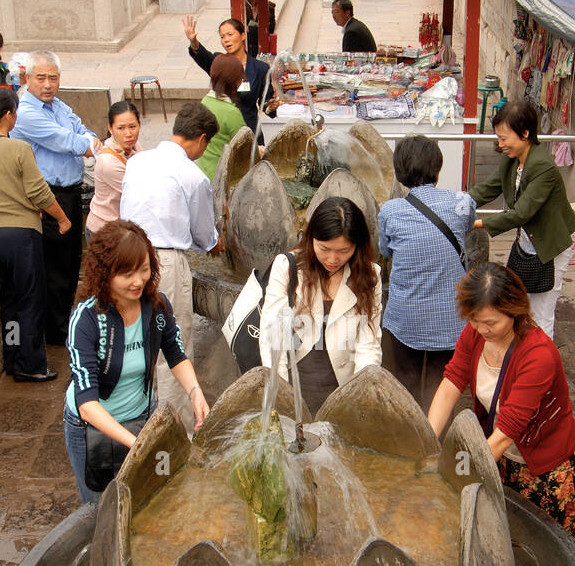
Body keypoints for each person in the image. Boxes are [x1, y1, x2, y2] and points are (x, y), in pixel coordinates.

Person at [427, 263, 575, 556]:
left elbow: (507, 431)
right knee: (505, 543)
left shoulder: (537, 354)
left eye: (491, 322)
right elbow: (451, 382)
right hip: (499, 457)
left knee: (553, 553)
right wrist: (427, 441)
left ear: (515, 310)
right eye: (475, 320)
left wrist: (456, 478)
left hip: (544, 465)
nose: (481, 329)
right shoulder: (475, 334)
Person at [64, 220, 209, 503]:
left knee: (148, 502)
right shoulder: (87, 319)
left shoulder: (157, 306)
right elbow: (87, 404)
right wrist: (138, 445)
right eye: (126, 273)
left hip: (142, 416)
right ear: (104, 273)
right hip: (92, 429)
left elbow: (176, 354)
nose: (138, 281)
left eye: (144, 269)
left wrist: (196, 392)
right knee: (100, 510)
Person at [120, 100, 221, 429]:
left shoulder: (137, 161)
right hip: (162, 261)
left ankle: (134, 415)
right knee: (172, 345)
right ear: (202, 140)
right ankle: (174, 428)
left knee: (132, 337)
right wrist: (217, 245)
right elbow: (205, 234)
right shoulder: (193, 176)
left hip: (124, 255)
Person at [0, 87, 71, 382]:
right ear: (9, 115)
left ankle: (12, 356)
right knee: (31, 299)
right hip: (19, 236)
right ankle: (32, 365)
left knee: (9, 299)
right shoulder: (18, 148)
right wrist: (61, 218)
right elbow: (38, 191)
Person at [378, 134, 476, 411]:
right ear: (437, 167)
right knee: (442, 383)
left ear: (400, 173)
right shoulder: (462, 202)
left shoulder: (390, 211)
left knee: (404, 382)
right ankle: (437, 436)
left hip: (404, 319)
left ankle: (407, 434)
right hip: (450, 319)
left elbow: (385, 250)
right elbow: (465, 228)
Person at [260, 196, 382, 416]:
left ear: (358, 246)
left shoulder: (369, 276)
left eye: (344, 250)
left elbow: (369, 343)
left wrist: (360, 395)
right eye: (324, 248)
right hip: (295, 385)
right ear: (311, 238)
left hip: (342, 391)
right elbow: (272, 336)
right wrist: (282, 398)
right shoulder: (287, 267)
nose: (333, 258)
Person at [470, 101, 575, 339]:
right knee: (519, 303)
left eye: (504, 138)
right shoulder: (512, 159)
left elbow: (522, 213)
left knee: (541, 311)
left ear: (525, 133)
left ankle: (542, 362)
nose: (500, 145)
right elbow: (490, 188)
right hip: (526, 243)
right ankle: (522, 351)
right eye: (498, 138)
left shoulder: (543, 167)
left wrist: (476, 224)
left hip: (548, 248)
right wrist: (462, 203)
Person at [14, 51, 100, 346]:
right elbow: (67, 141)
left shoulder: (58, 106)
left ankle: (64, 323)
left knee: (71, 261)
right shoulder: (26, 113)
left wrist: (87, 140)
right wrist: (87, 144)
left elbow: (82, 129)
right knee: (56, 268)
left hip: (71, 192)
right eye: (41, 78)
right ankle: (56, 332)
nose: (48, 84)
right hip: (48, 197)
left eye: (53, 77)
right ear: (27, 78)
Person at [182, 15, 270, 139]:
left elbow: (267, 103)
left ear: (243, 36)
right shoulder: (220, 63)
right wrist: (193, 41)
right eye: (222, 37)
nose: (226, 40)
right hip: (221, 131)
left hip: (249, 130)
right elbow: (203, 57)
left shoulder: (260, 68)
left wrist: (274, 105)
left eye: (230, 35)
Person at [86, 100, 142, 238]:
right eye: (121, 128)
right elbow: (140, 194)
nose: (128, 133)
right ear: (110, 128)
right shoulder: (108, 162)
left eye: (132, 126)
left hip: (121, 226)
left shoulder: (134, 145)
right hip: (104, 230)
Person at [199, 55, 245, 181]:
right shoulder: (231, 112)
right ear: (235, 81)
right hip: (222, 176)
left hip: (204, 170)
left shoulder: (205, 102)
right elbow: (244, 149)